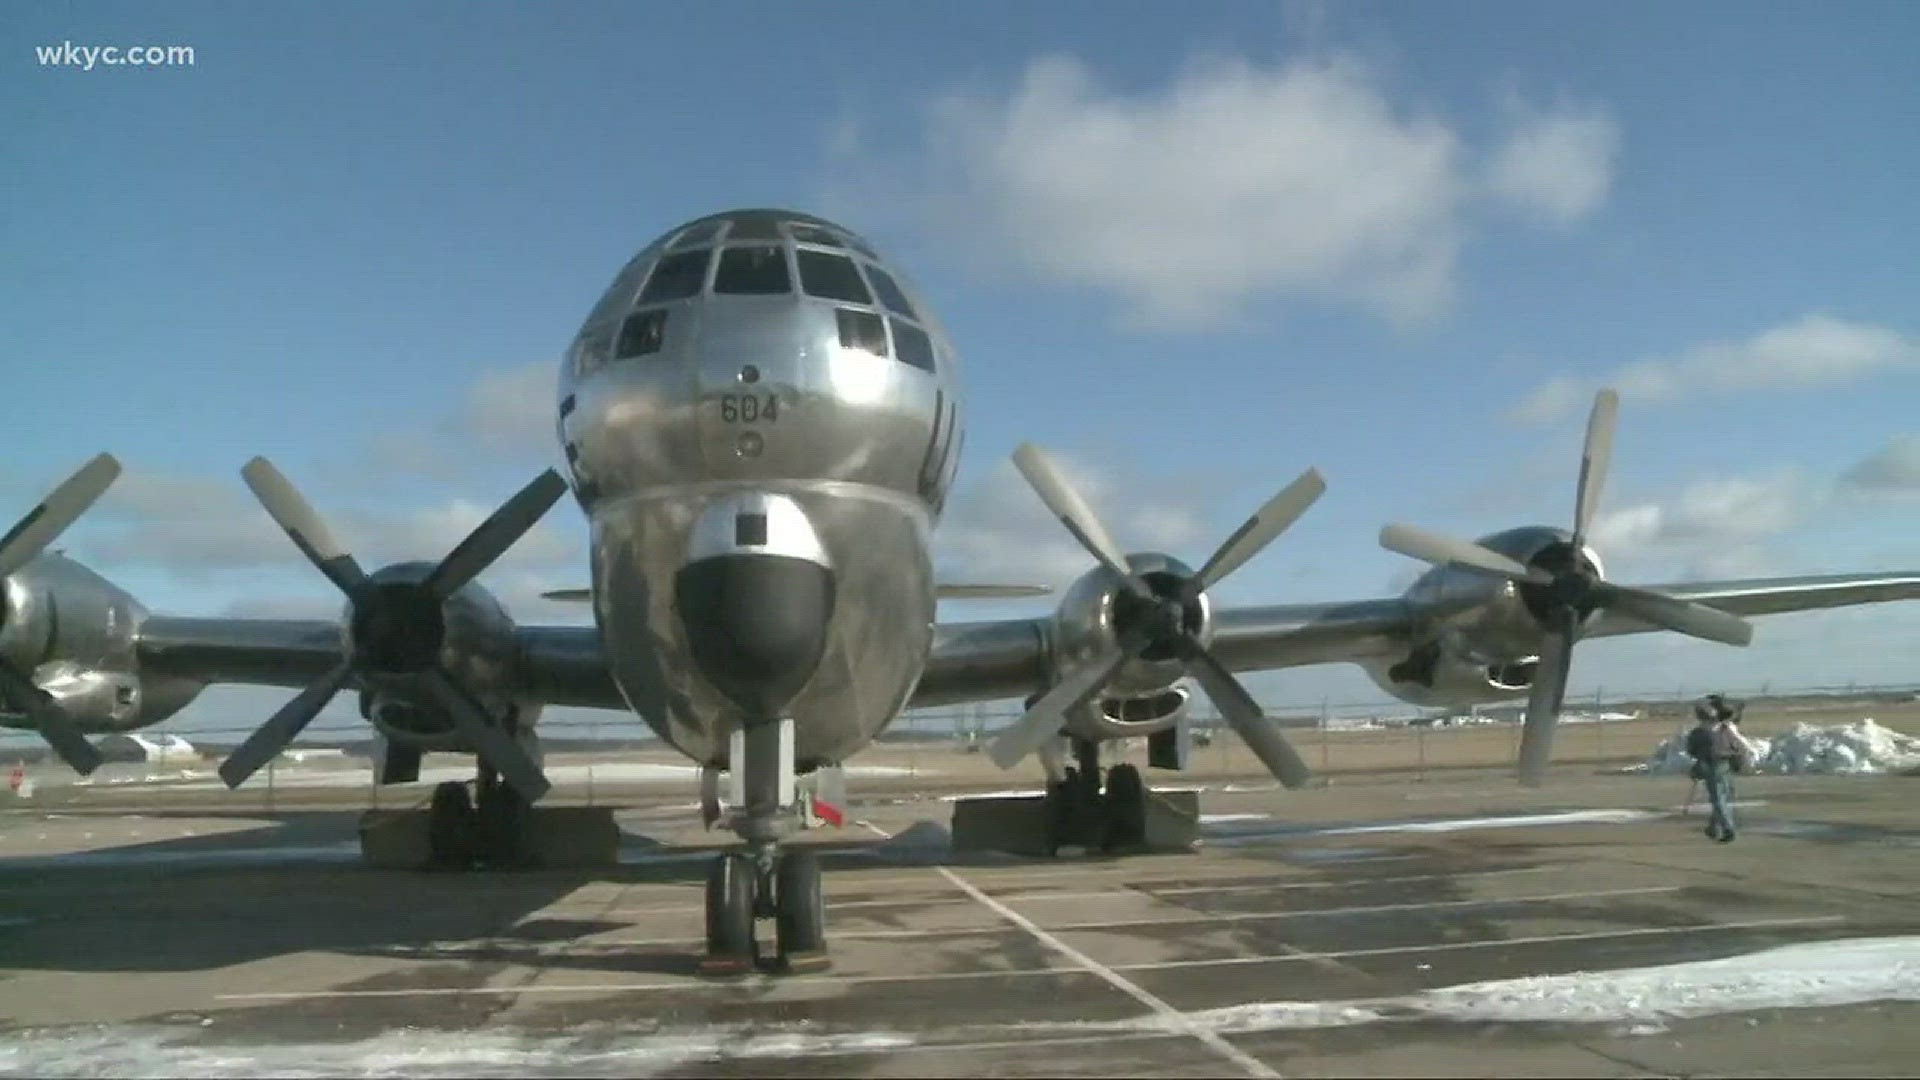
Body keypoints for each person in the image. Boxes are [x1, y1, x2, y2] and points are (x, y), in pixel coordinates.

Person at [1685, 694, 1750, 842]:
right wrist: (1741, 759)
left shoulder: (1699, 732)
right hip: (1726, 765)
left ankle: (1728, 829)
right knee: (1722, 797)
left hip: (1712, 765)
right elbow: (1739, 746)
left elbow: (1692, 750)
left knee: (1718, 799)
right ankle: (1713, 827)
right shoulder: (1725, 729)